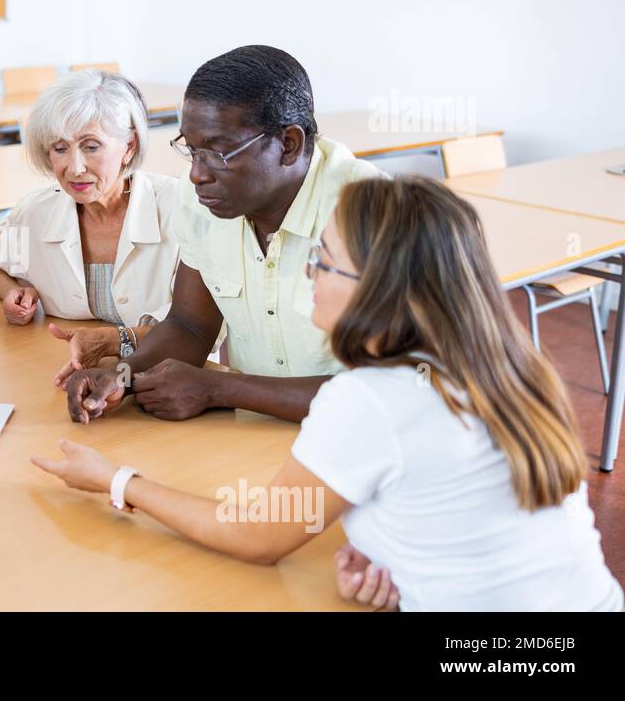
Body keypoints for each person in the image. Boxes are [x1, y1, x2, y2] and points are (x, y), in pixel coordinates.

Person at [34, 176, 623, 611]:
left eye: (325, 262)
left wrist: (115, 480)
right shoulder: (513, 365)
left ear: (380, 287)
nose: (310, 273)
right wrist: (412, 571)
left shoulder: (372, 399)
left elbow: (255, 537)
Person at [62, 45, 382, 425]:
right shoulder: (200, 198)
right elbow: (190, 325)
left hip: (354, 441)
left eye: (218, 152)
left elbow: (383, 389)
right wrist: (122, 376)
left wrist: (220, 389)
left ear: (289, 145)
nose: (198, 173)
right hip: (250, 436)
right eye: (192, 150)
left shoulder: (370, 215)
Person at [0, 70, 191, 387]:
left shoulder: (179, 210)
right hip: (75, 377)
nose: (74, 168)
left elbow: (198, 328)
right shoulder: (35, 212)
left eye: (91, 147)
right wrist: (12, 292)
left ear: (129, 146)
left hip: (171, 379)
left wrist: (112, 339)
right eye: (60, 149)